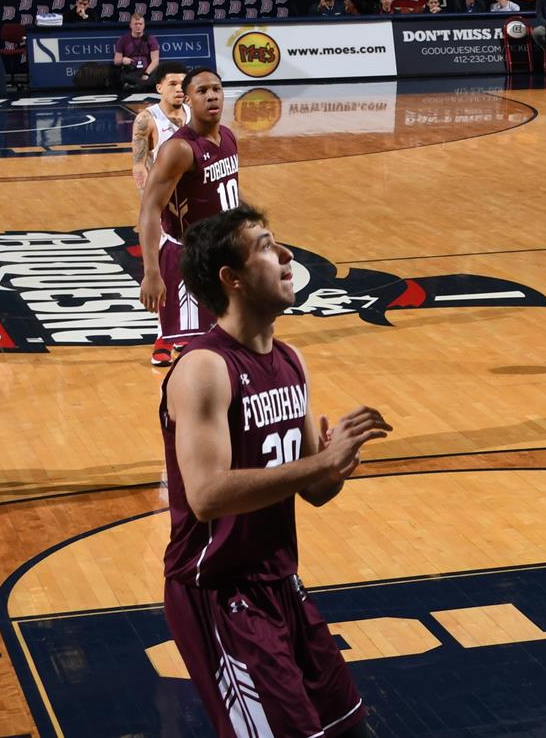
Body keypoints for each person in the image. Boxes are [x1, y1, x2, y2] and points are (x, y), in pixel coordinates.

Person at [159, 204, 388, 738]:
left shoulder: (291, 360)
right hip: (217, 591)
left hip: (279, 581)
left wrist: (337, 465)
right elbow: (207, 496)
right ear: (231, 279)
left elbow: (315, 491)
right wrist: (319, 461)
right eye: (265, 246)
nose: (286, 256)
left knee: (353, 730)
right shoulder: (204, 369)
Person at [138, 68, 241, 368]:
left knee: (230, 349)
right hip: (190, 257)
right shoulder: (179, 149)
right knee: (199, 358)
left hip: (225, 253)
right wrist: (151, 272)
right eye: (202, 91)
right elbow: (149, 210)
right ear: (189, 101)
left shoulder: (229, 137)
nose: (211, 96)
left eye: (216, 89)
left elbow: (227, 191)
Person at [131, 62, 189, 193]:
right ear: (159, 88)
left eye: (183, 84)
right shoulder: (146, 119)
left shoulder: (195, 113)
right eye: (173, 84)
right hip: (164, 194)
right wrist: (148, 199)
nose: (179, 89)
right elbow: (139, 165)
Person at [112, 12, 160, 93]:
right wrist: (122, 60)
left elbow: (155, 61)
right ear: (130, 25)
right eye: (136, 24)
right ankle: (137, 85)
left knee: (156, 76)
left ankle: (136, 86)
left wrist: (146, 74)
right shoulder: (123, 40)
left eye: (140, 24)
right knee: (121, 76)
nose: (138, 26)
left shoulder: (151, 39)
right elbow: (116, 61)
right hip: (132, 71)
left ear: (144, 25)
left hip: (147, 71)